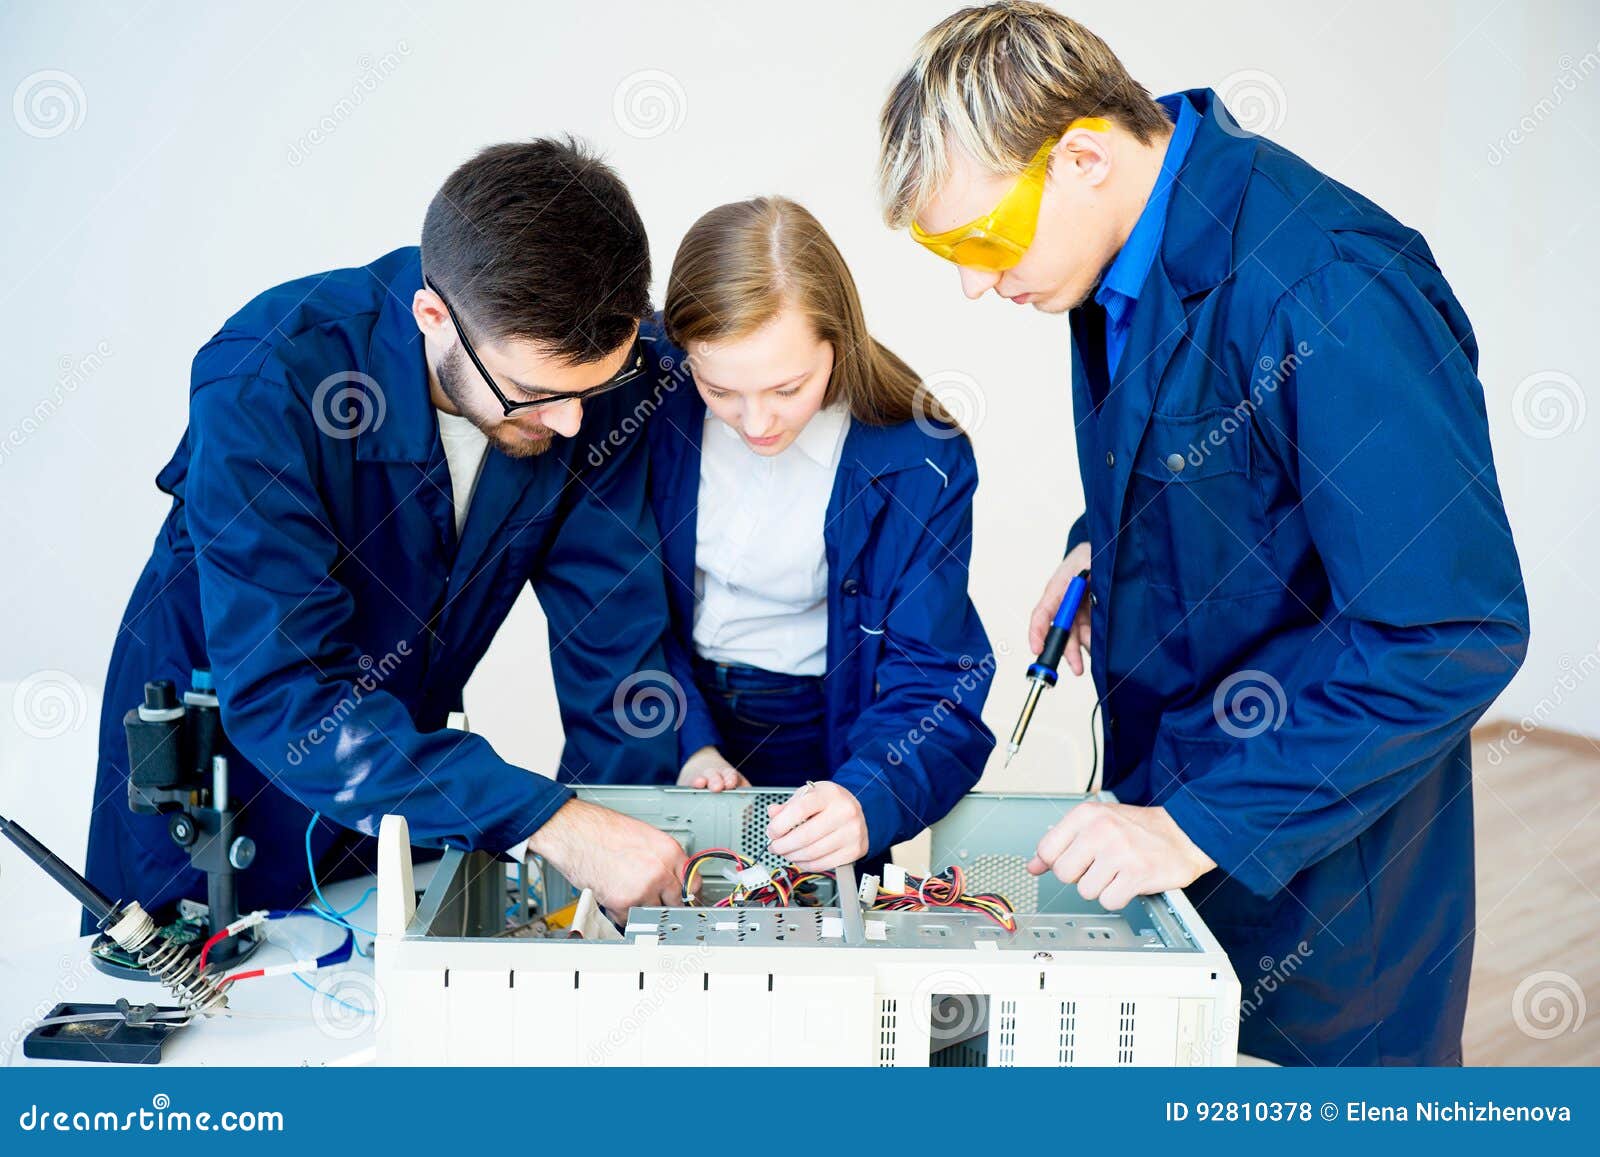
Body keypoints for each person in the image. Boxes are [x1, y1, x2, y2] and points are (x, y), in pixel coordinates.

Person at [876, 2, 1529, 1065]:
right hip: (1181, 799)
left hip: (1325, 872)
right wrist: (1110, 534)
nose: (972, 281)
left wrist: (1192, 829)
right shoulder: (1119, 251)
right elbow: (1223, 447)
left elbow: (1452, 629)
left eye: (981, 239)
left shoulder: (1326, 287)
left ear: (1082, 156)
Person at [85, 138, 689, 928]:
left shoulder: (591, 380)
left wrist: (615, 856)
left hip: (400, 781)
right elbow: (284, 694)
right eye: (536, 394)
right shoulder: (269, 379)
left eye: (593, 387)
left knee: (377, 1002)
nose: (573, 420)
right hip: (218, 783)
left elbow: (613, 642)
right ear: (433, 316)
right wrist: (553, 821)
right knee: (207, 1008)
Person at [640, 197, 995, 870]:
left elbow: (937, 680)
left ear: (839, 341)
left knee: (816, 943)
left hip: (831, 734)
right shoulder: (647, 399)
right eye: (721, 391)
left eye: (787, 387)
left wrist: (866, 797)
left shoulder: (922, 457)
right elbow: (611, 604)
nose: (756, 422)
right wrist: (688, 738)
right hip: (666, 713)